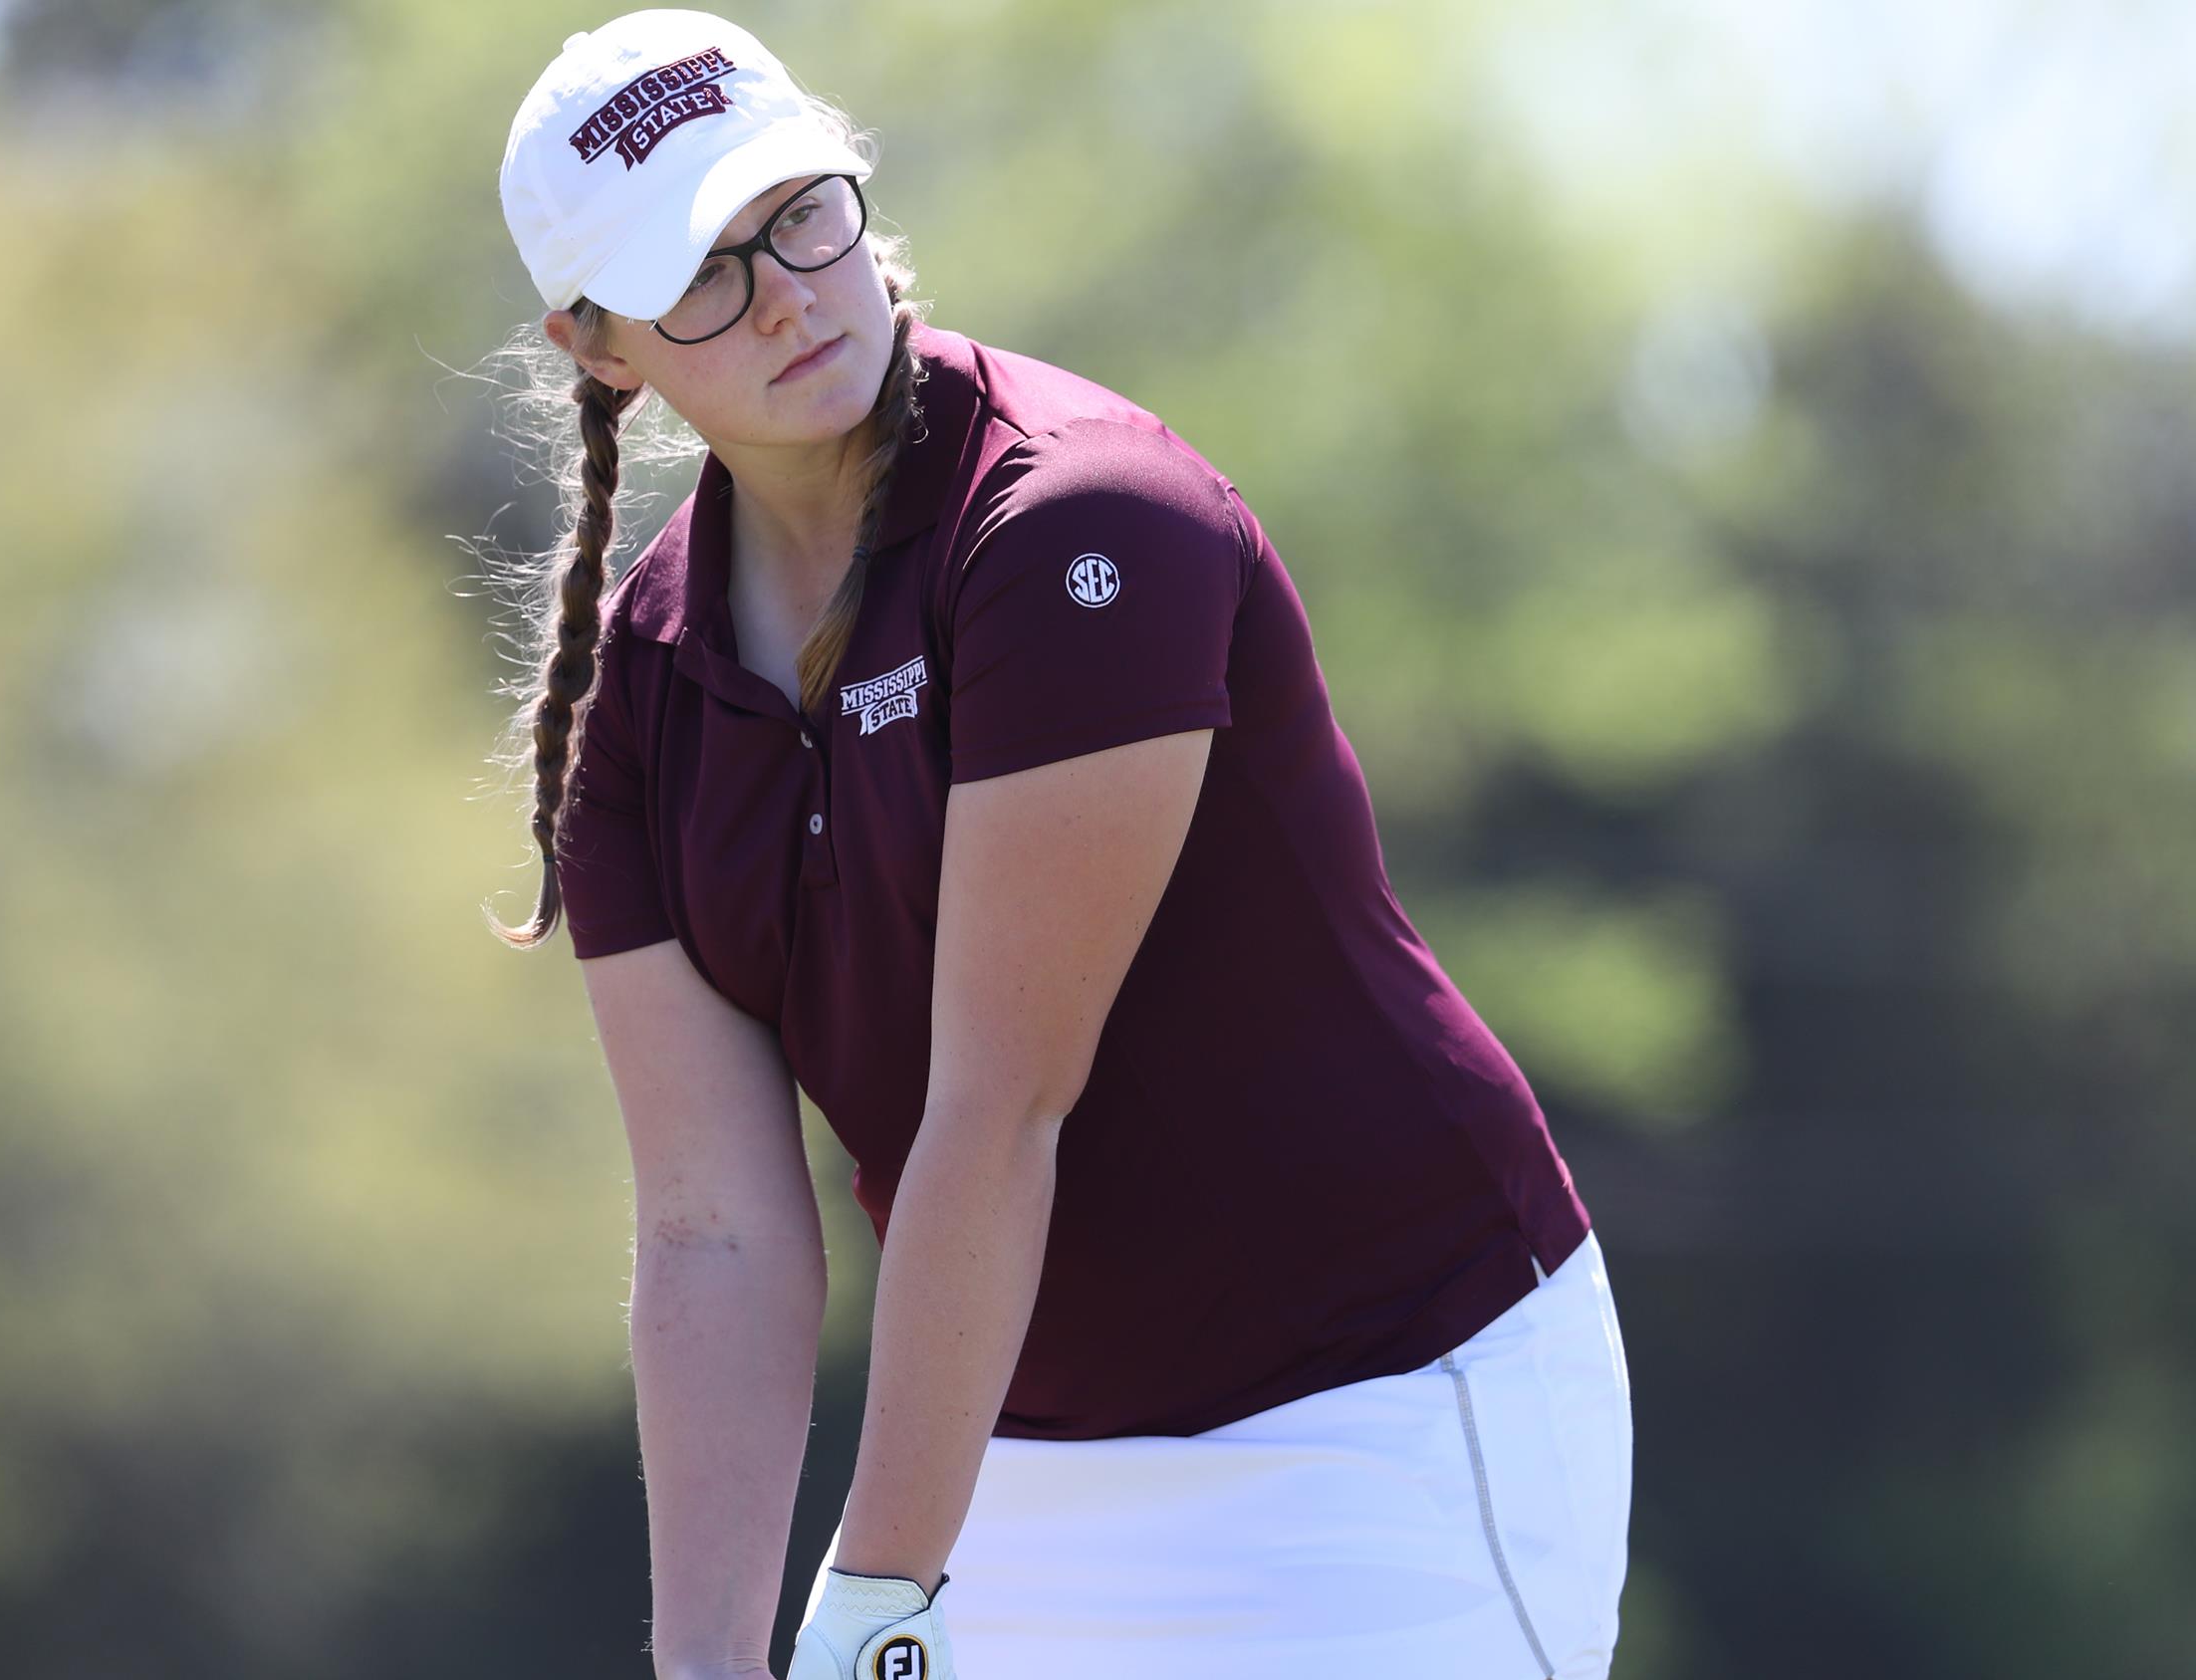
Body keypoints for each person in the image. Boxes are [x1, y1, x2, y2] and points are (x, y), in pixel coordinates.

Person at [480, 12, 1634, 1679]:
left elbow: (999, 1115)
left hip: (1384, 1409)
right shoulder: (640, 698)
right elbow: (711, 1229)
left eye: (798, 212)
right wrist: (713, 1658)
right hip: (1021, 1454)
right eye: (703, 272)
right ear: (597, 344)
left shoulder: (1080, 523)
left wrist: (871, 1603)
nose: (792, 291)